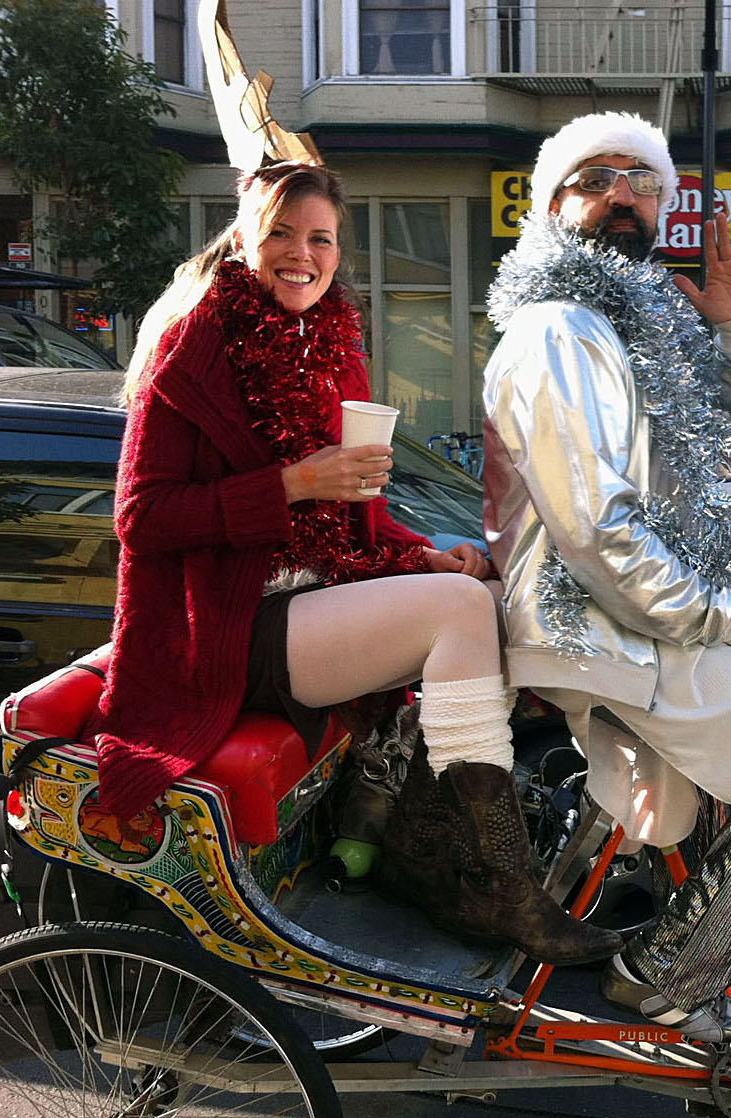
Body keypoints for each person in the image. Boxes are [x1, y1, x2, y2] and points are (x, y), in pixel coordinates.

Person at [91, 160, 621, 967]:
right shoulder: (192, 342)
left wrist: (424, 554)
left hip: (312, 607)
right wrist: (291, 484)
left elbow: (357, 523)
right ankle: (493, 881)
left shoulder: (331, 342)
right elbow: (141, 518)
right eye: (280, 233)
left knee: (474, 588)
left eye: (320, 238)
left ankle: (428, 843)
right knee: (459, 610)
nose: (300, 253)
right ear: (245, 238)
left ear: (339, 252)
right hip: (227, 633)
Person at [480, 113, 731, 1091]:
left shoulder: (627, 328)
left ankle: (704, 1022)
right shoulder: (559, 328)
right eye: (595, 178)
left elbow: (728, 462)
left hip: (627, 626)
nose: (623, 196)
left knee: (698, 816)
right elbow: (600, 531)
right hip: (603, 629)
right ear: (552, 204)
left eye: (643, 182)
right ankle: (665, 975)